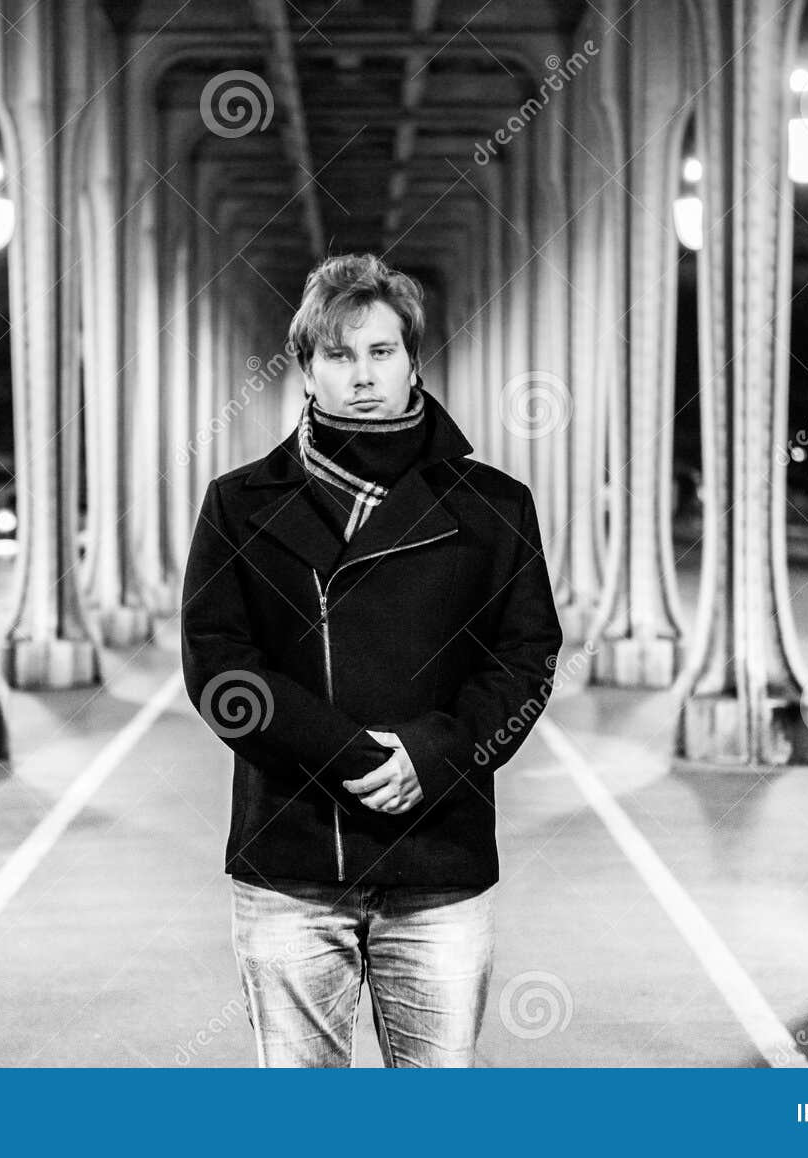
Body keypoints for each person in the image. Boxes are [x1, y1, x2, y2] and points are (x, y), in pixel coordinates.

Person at [180, 252, 563, 1067]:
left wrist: (433, 754)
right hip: (294, 858)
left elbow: (524, 657)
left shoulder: (494, 506)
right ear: (307, 371)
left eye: (381, 352)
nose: (362, 376)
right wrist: (352, 756)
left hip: (439, 861)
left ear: (411, 362)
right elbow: (221, 670)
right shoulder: (239, 503)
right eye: (339, 355)